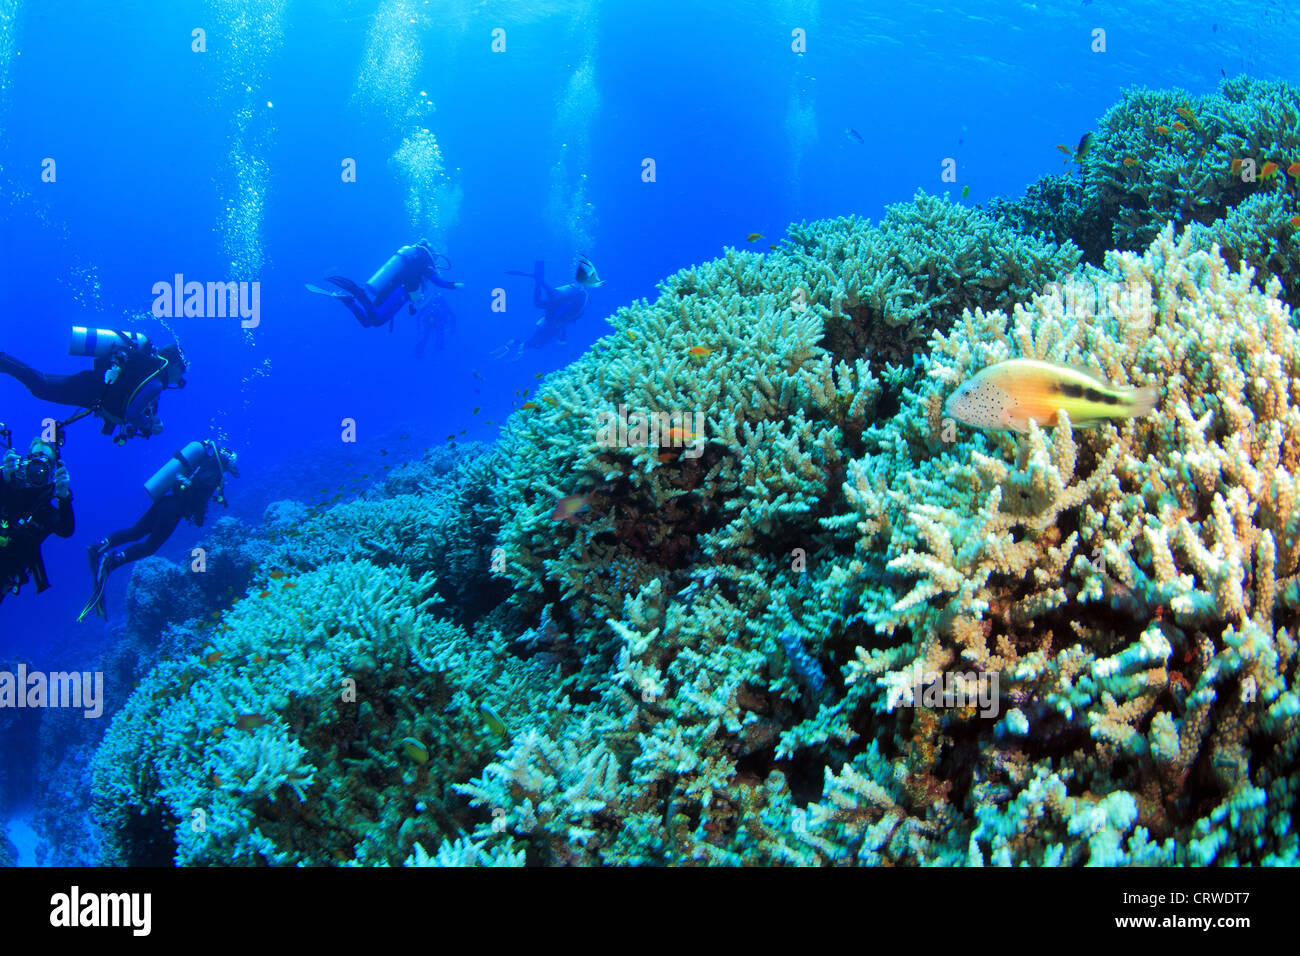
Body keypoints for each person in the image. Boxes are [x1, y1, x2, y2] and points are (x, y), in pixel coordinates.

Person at [81, 440, 238, 621]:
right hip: (174, 511)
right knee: (150, 547)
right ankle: (112, 561)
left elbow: (190, 485)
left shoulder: (203, 462)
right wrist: (199, 517)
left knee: (135, 531)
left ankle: (99, 546)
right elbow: (197, 495)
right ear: (226, 462)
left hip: (165, 501)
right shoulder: (214, 474)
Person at [0, 329, 187, 445]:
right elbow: (131, 414)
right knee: (41, 386)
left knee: (41, 383)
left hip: (91, 385)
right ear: (175, 365)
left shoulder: (152, 371)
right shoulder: (156, 382)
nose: (180, 376)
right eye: (182, 370)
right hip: (90, 390)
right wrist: (148, 425)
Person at [308, 239, 463, 331]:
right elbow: (439, 282)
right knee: (376, 320)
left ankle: (350, 302)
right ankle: (359, 295)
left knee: (369, 322)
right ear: (432, 255)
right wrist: (454, 285)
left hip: (389, 288)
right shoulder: (426, 264)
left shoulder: (413, 260)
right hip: (400, 294)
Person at [0, 430, 74, 604]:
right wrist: (3, 477)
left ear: (51, 473)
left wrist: (64, 497)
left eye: (44, 464)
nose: (37, 470)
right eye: (34, 461)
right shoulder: (9, 486)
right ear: (24, 462)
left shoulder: (45, 512)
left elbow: (66, 530)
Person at [493, 255, 604, 360]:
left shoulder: (577, 291)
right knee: (537, 343)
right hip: (554, 317)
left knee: (539, 305)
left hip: (553, 312)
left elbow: (567, 310)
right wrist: (562, 335)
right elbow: (572, 315)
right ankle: (539, 279)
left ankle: (539, 279)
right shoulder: (581, 295)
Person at [413, 290, 456, 357]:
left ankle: (417, 353)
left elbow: (419, 315)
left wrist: (418, 326)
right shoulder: (444, 304)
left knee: (425, 338)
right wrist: (452, 328)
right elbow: (452, 315)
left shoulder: (429, 303)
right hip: (439, 323)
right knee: (439, 337)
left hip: (429, 323)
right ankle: (438, 353)